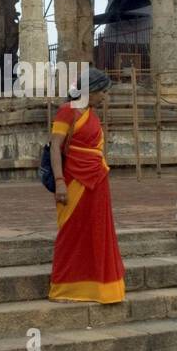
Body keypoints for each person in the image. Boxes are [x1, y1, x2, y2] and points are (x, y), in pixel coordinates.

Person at [47, 68, 125, 304]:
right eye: (102, 92)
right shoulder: (67, 111)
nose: (104, 97)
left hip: (97, 179)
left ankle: (99, 288)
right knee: (71, 231)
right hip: (72, 179)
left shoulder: (90, 113)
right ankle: (65, 288)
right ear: (90, 91)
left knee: (97, 231)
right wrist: (59, 182)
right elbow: (54, 148)